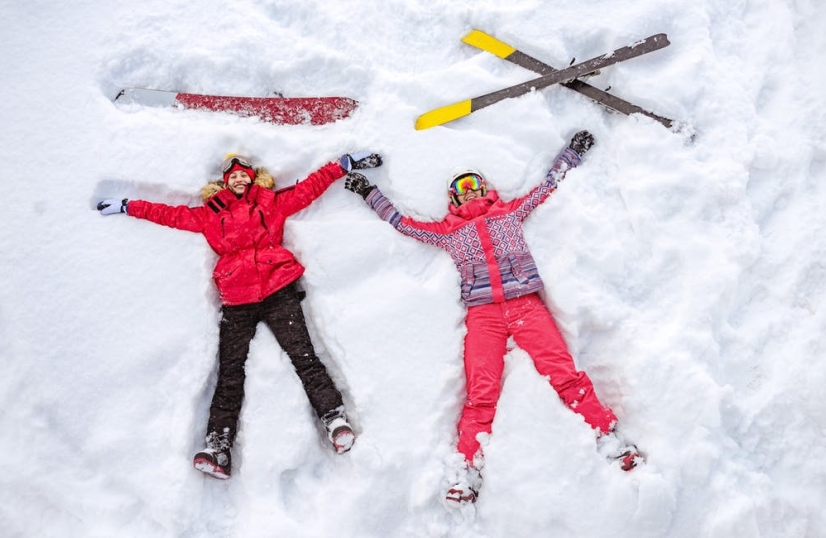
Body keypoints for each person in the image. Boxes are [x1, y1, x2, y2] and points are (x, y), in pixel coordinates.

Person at [344, 131, 641, 504]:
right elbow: (404, 225)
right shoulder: (450, 232)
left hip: (525, 306)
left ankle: (611, 439)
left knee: (564, 374)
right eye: (460, 188)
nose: (468, 191)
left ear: (486, 187)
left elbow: (547, 186)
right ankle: (466, 472)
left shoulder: (510, 213)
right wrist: (370, 194)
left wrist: (571, 153)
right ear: (452, 199)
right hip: (484, 315)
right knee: (481, 393)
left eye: (473, 183)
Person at [97, 150, 382, 479]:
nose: (238, 177)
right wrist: (127, 206)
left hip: (279, 290)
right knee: (230, 373)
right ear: (224, 181)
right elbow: (169, 214)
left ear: (252, 177)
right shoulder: (210, 214)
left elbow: (309, 188)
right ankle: (218, 447)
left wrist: (341, 164)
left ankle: (335, 420)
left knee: (303, 356)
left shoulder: (270, 202)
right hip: (236, 298)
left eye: (243, 173)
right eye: (232, 175)